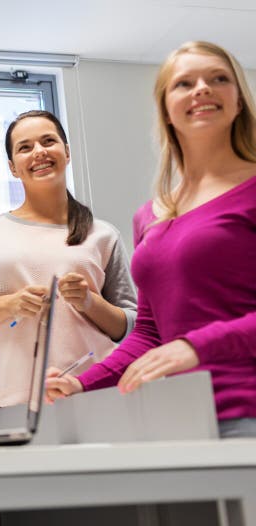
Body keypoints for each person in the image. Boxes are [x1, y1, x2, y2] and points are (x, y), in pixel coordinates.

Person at [46, 41, 256, 439]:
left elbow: (178, 342)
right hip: (179, 416)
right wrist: (83, 383)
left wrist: (195, 346)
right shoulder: (152, 215)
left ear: (239, 100)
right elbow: (151, 332)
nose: (202, 89)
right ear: (165, 108)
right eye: (184, 83)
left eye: (218, 79)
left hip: (246, 413)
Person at [0, 110, 137, 423]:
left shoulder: (103, 234)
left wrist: (91, 302)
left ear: (67, 152)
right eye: (25, 147)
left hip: (93, 402)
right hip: (12, 408)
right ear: (12, 167)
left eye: (49, 141)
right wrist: (9, 305)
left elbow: (131, 326)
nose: (39, 152)